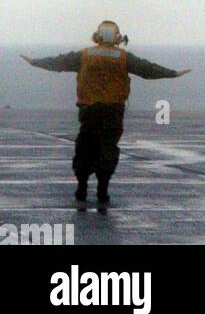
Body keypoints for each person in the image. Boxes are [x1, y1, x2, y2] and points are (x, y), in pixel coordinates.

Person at [21, 20, 190, 209]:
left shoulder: (85, 55)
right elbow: (147, 69)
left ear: (97, 36)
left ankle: (82, 187)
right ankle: (103, 190)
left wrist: (36, 62)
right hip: (113, 110)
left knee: (85, 146)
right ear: (118, 36)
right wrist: (173, 73)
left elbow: (59, 62)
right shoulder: (123, 57)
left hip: (89, 109)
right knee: (108, 147)